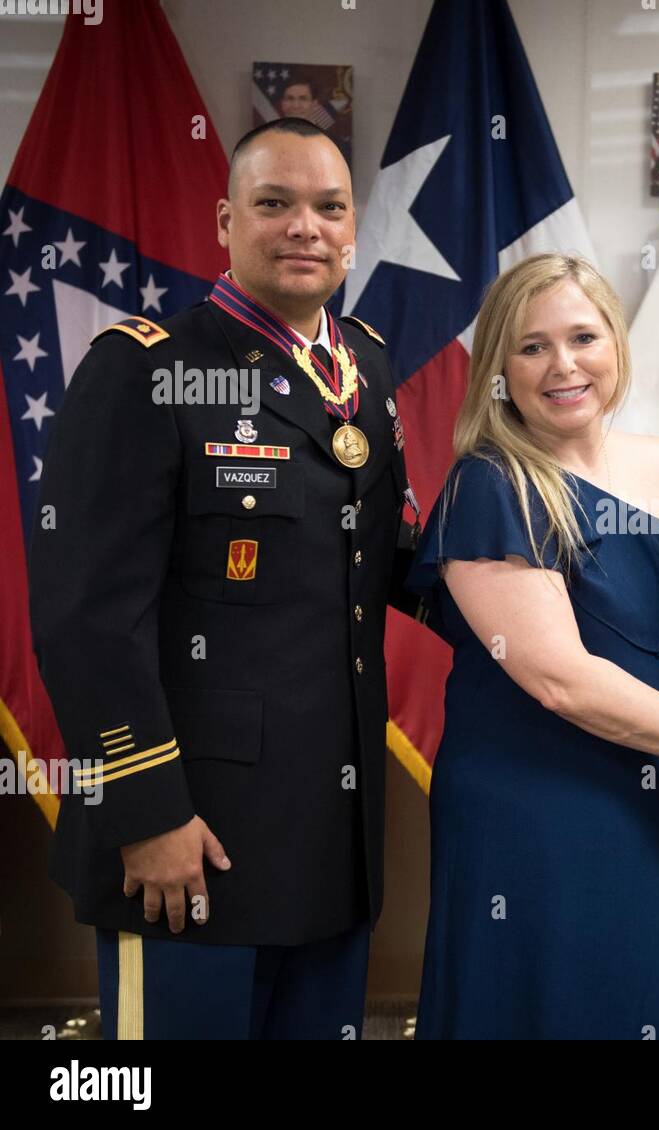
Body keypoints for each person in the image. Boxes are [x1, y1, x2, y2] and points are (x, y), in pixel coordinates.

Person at [29, 117, 422, 1039]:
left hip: (334, 836)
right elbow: (87, 620)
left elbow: (384, 557)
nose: (305, 228)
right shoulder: (147, 370)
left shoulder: (363, 365)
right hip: (187, 838)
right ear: (225, 221)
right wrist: (145, 812)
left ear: (352, 227)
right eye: (274, 203)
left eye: (329, 208)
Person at [407, 253, 659, 1040]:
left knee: (643, 998)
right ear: (499, 366)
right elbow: (562, 679)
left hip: (648, 788)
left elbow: (656, 629)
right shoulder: (491, 483)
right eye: (532, 346)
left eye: (582, 337)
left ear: (616, 343)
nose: (563, 365)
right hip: (533, 806)